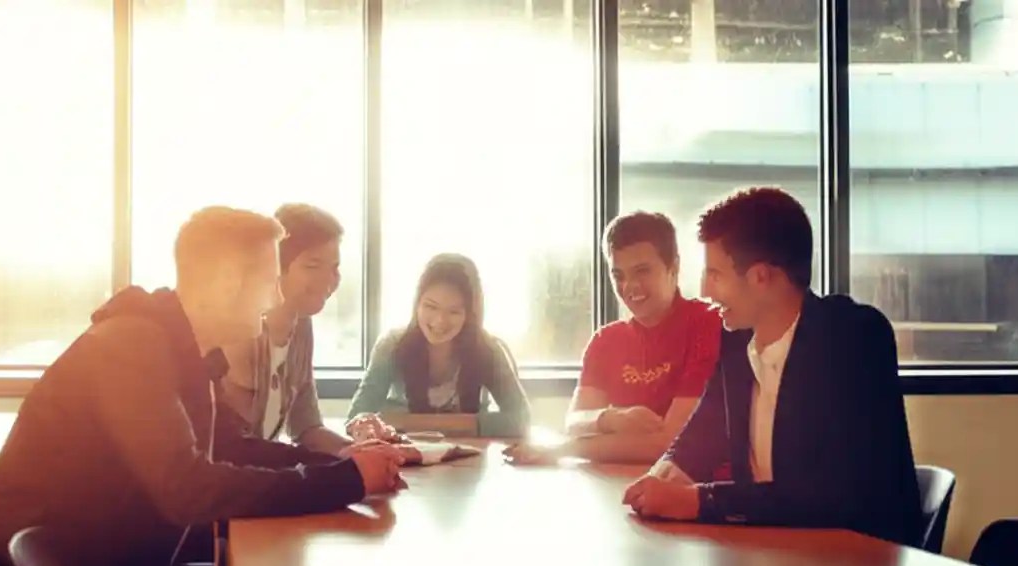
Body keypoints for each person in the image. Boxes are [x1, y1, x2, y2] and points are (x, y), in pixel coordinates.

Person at [0, 207, 406, 566]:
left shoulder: (170, 347)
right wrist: (345, 482)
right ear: (225, 282)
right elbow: (187, 487)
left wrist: (342, 465)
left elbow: (233, 447)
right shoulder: (131, 348)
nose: (276, 296)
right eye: (266, 278)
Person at [623, 187, 922, 546]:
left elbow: (836, 494)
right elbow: (700, 437)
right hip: (770, 557)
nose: (704, 289)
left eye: (715, 274)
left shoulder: (853, 336)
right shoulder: (737, 342)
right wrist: (655, 486)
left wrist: (699, 500)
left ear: (761, 277)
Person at [505, 211, 720, 465]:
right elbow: (575, 422)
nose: (629, 286)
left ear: (673, 268)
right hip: (614, 482)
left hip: (683, 486)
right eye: (618, 275)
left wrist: (564, 449)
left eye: (642, 271)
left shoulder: (708, 323)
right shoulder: (605, 340)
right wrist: (611, 419)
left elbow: (671, 442)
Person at [217, 203, 402, 455]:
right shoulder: (243, 330)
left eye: (334, 267)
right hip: (233, 482)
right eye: (313, 266)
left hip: (265, 477)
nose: (329, 279)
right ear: (276, 267)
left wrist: (367, 452)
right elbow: (238, 446)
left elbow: (307, 428)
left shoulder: (301, 326)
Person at [346, 253, 531, 439]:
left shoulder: (488, 349)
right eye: (431, 307)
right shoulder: (393, 345)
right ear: (417, 304)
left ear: (470, 314)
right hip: (403, 456)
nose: (440, 321)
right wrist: (466, 423)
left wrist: (404, 422)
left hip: (471, 457)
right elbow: (356, 418)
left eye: (454, 311)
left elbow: (521, 420)